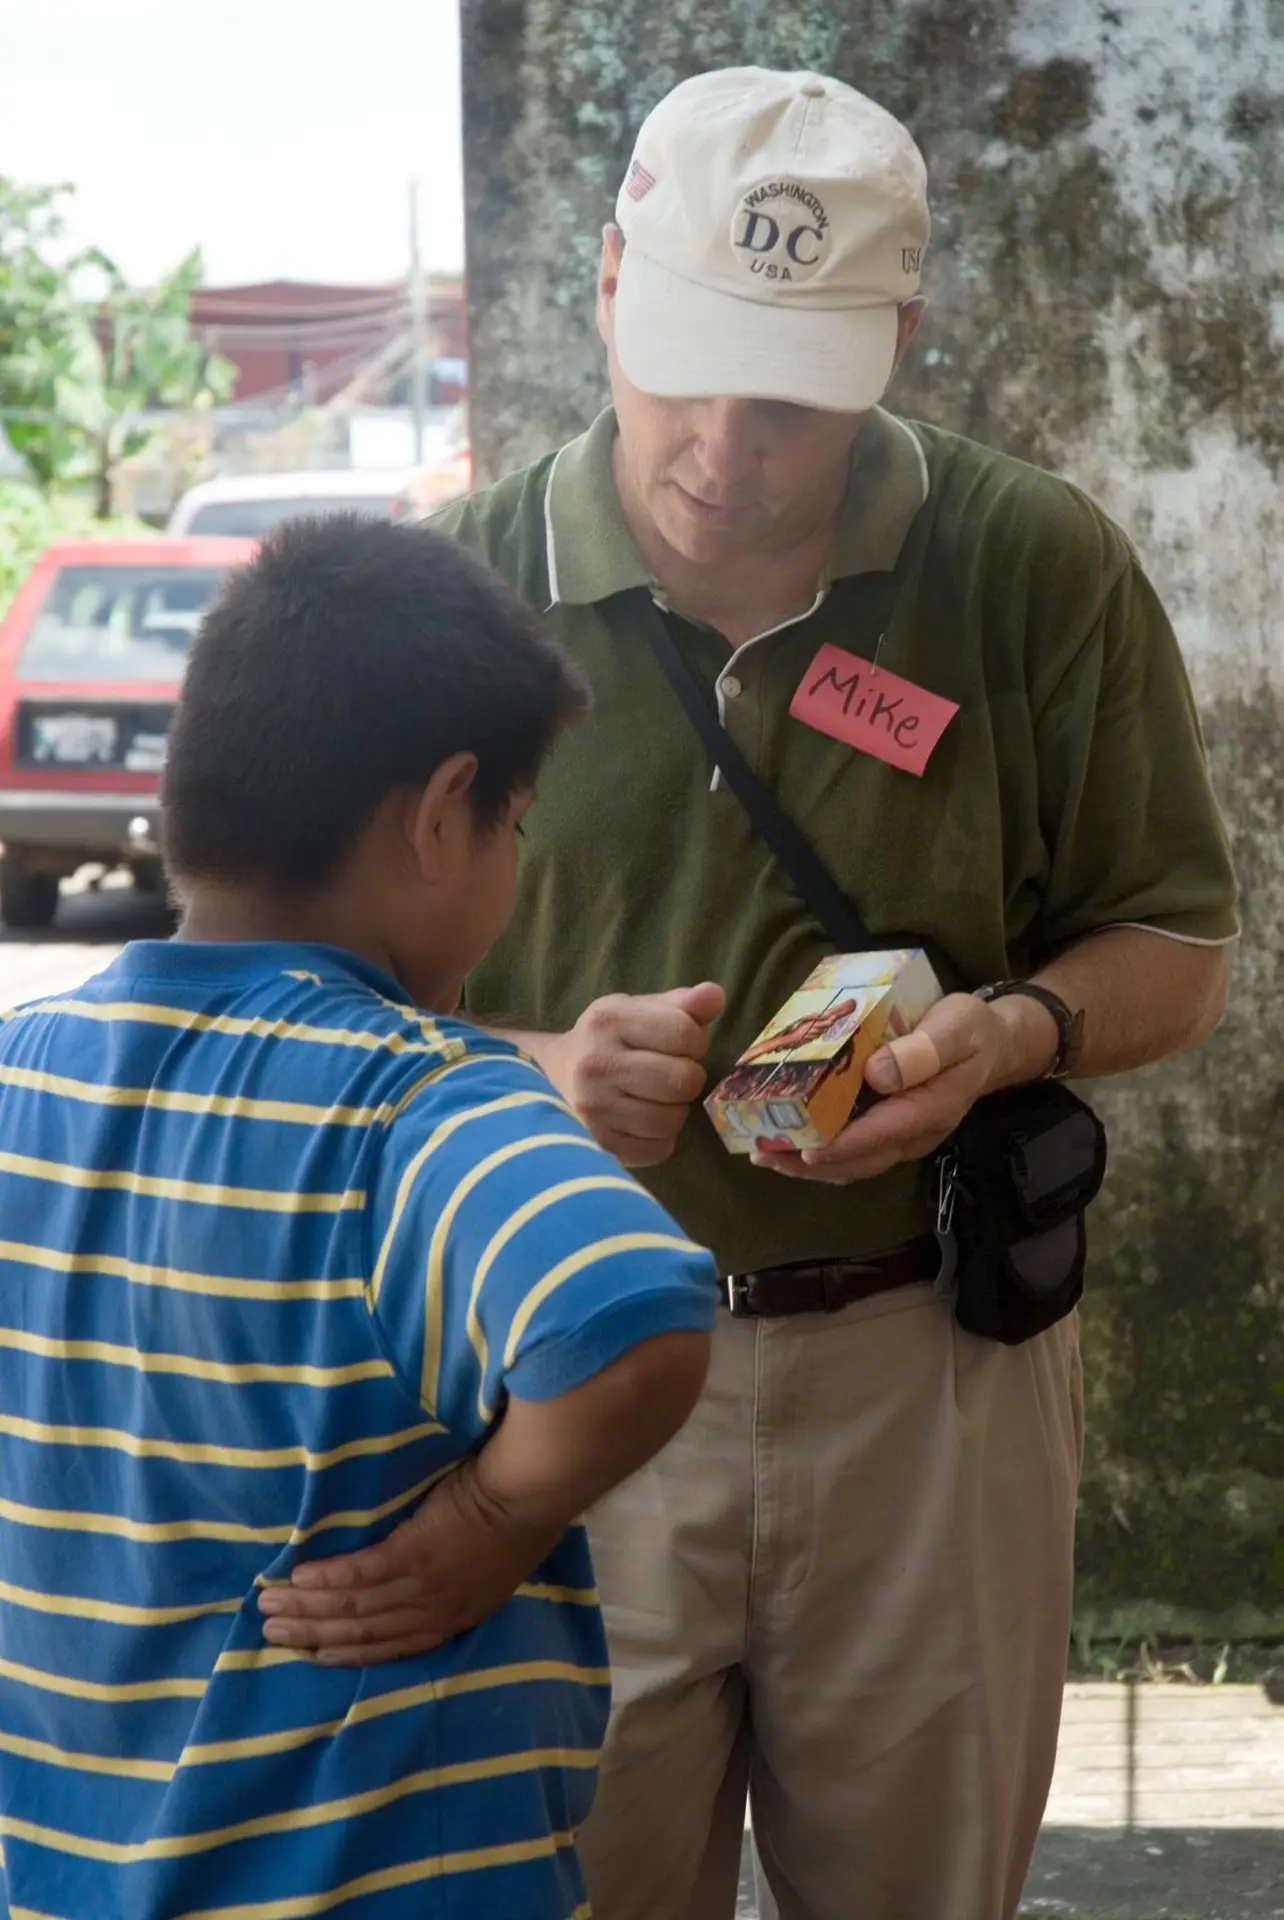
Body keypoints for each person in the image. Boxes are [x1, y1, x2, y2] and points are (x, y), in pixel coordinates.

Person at [261, 68, 1238, 1920]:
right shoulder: (441, 600)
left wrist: (1010, 1034)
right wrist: (533, 1070)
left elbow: (1175, 946)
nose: (725, 445)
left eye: (791, 395)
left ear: (901, 339)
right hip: (551, 1368)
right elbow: (287, 1017)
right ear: (608, 284)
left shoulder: (1032, 568)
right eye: (685, 362)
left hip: (926, 1377)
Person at [0, 515, 717, 1920]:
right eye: (514, 825)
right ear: (440, 811)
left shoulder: (21, 1076)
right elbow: (634, 1316)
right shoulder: (420, 1105)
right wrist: (492, 1519)